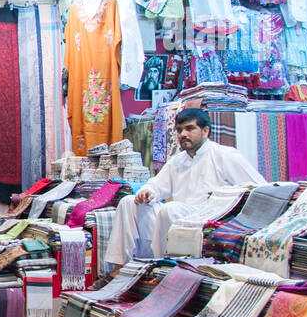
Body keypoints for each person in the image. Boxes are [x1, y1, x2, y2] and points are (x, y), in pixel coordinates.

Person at [105, 108, 265, 266]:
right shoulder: (177, 161)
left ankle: (164, 267)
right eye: (179, 130)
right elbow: (156, 185)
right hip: (178, 218)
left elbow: (261, 189)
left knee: (170, 209)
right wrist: (148, 192)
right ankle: (120, 268)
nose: (183, 134)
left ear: (205, 131)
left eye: (190, 128)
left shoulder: (224, 155)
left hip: (209, 220)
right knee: (129, 202)